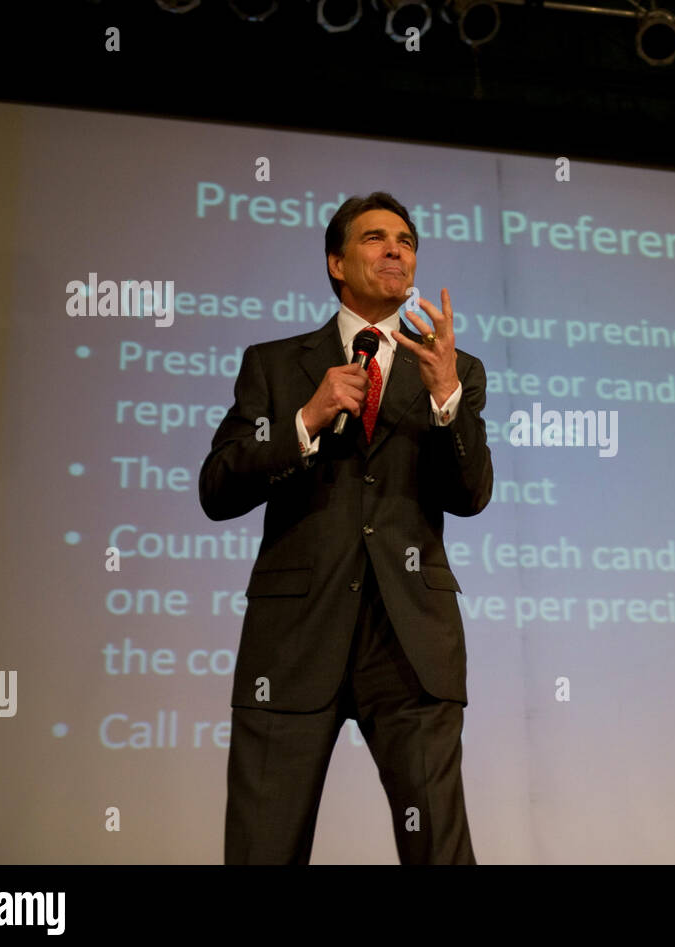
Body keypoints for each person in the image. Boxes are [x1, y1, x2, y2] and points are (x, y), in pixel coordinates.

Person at [199, 191, 493, 864]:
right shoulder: (275, 365)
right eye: (375, 238)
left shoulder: (453, 368)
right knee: (263, 849)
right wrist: (304, 419)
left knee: (438, 852)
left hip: (411, 645)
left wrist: (448, 399)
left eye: (407, 240)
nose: (396, 249)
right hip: (293, 645)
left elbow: (471, 493)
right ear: (337, 263)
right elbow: (216, 488)